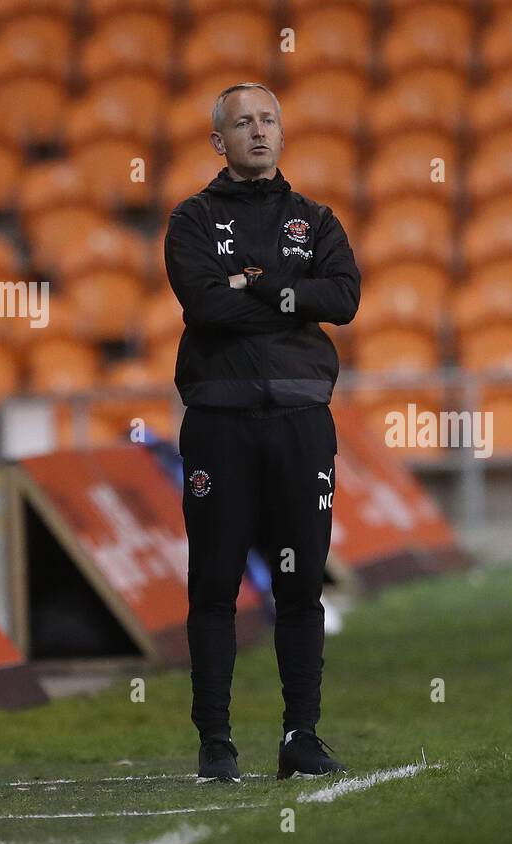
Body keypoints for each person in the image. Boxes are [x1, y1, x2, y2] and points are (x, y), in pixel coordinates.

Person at [164, 82, 360, 779]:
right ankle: (216, 743)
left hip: (302, 423)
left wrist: (257, 285)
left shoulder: (317, 219)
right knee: (214, 585)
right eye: (242, 122)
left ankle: (299, 737)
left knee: (301, 586)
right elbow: (207, 306)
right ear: (219, 141)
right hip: (220, 424)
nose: (258, 130)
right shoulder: (190, 219)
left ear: (282, 131)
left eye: (268, 119)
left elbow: (343, 298)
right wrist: (290, 296)